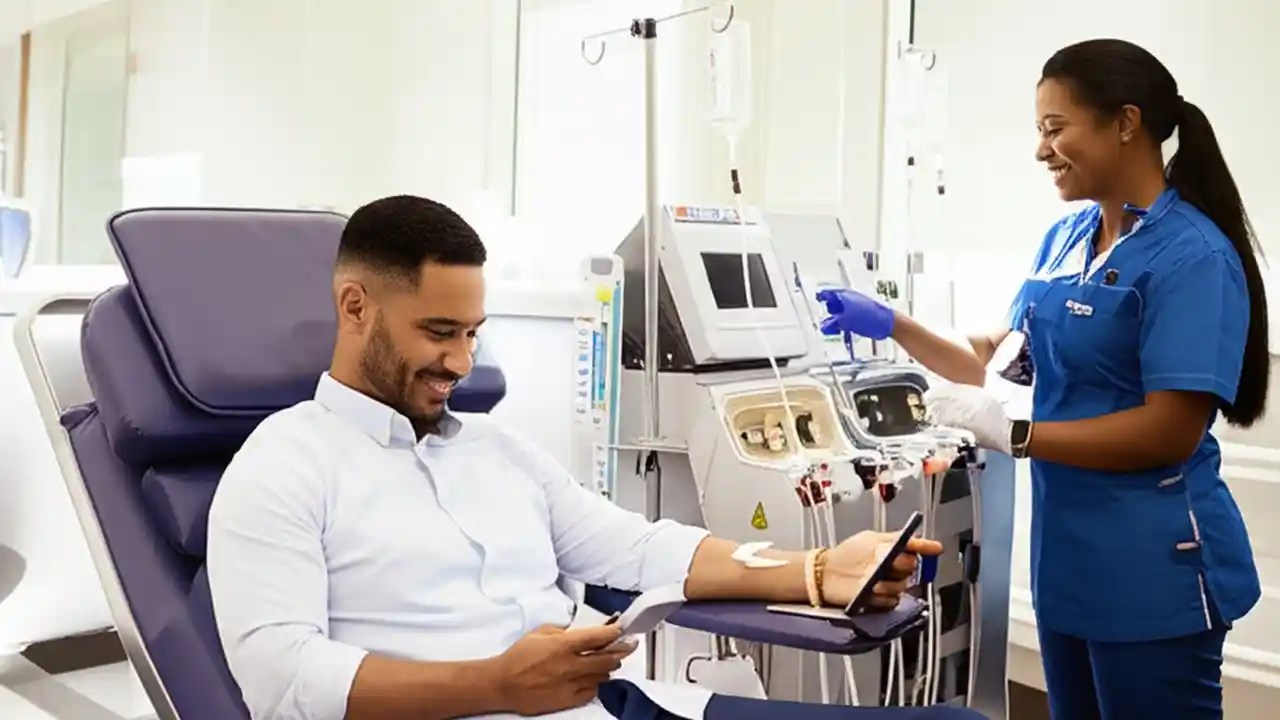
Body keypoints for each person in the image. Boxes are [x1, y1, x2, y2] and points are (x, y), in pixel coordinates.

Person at [205, 195, 970, 720]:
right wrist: (496, 683)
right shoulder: (283, 467)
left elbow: (634, 547)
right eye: (438, 333)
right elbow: (281, 678)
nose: (462, 362)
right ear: (355, 308)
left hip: (609, 705)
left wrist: (814, 571)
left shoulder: (496, 450)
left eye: (472, 334)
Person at [818, 39, 1265, 719]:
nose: (1040, 150)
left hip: (1154, 570)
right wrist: (892, 324)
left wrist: (1016, 433)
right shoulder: (1067, 238)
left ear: (1126, 123)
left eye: (1056, 129)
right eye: (1038, 130)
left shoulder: (1193, 256)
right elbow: (998, 360)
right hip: (1068, 563)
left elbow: (1170, 431)